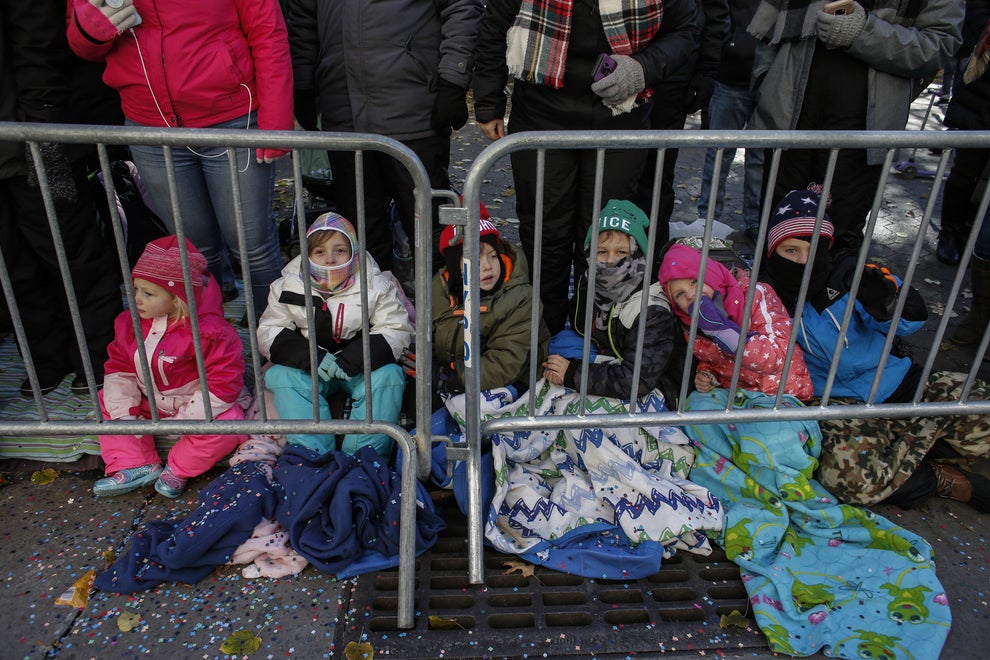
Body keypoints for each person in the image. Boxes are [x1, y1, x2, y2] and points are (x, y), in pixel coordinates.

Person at [472, 0, 698, 334]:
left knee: (605, 230)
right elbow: (494, 26)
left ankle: (596, 323)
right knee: (545, 227)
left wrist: (643, 69)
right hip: (540, 112)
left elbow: (686, 30)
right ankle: (543, 324)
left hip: (621, 115)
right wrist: (487, 100)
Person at [760, 188, 990, 513]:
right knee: (848, 480)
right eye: (791, 250)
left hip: (898, 381)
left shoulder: (847, 275)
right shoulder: (764, 297)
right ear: (773, 252)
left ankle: (905, 448)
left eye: (813, 251)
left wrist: (887, 301)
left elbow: (913, 319)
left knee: (983, 412)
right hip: (839, 406)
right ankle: (936, 475)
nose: (802, 261)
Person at [66, 0, 292, 317]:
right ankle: (207, 349)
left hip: (231, 118)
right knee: (194, 249)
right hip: (150, 128)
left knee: (252, 244)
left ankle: (274, 341)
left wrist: (276, 120)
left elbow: (267, 32)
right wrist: (93, 25)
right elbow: (82, 46)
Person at [285, 0, 484, 274]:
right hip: (345, 115)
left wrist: (453, 79)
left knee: (430, 233)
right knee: (362, 237)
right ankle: (375, 313)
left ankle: (442, 311)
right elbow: (302, 20)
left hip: (412, 112)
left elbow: (462, 8)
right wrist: (303, 82)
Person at [747, 0, 963, 251]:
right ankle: (769, 290)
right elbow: (771, 30)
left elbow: (939, 44)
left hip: (862, 136)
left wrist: (862, 33)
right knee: (777, 234)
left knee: (837, 242)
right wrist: (763, 79)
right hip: (788, 124)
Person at [1, 1, 122, 398]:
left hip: (34, 136)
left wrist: (42, 129)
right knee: (12, 264)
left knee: (70, 251)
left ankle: (98, 356)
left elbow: (37, 42)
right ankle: (45, 359)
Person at [95, 237, 248, 498]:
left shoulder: (211, 332)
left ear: (178, 298)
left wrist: (188, 419)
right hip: (149, 400)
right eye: (134, 289)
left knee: (231, 422)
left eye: (148, 293)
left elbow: (224, 382)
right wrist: (125, 415)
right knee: (108, 400)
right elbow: (120, 368)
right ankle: (135, 463)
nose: (137, 299)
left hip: (196, 403)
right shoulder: (128, 323)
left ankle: (179, 468)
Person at [258, 212, 413, 457]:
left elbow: (395, 327)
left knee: (390, 376)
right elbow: (270, 330)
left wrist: (356, 358)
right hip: (311, 365)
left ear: (353, 251)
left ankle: (364, 455)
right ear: (307, 254)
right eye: (320, 252)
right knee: (280, 376)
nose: (330, 259)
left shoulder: (375, 284)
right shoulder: (287, 285)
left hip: (358, 364)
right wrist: (310, 357)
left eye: (339, 250)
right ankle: (313, 453)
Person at [543, 200, 685, 404]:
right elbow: (582, 325)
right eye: (601, 252)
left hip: (655, 387)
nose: (610, 261)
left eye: (621, 253)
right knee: (556, 347)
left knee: (568, 403)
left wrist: (572, 373)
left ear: (638, 254)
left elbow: (636, 381)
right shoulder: (592, 280)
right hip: (612, 352)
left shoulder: (652, 310)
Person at [657, 243, 813, 399]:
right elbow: (712, 359)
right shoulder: (692, 325)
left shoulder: (755, 296)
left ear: (710, 275)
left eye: (694, 282)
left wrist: (725, 333)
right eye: (679, 294)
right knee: (695, 403)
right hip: (736, 394)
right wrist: (707, 374)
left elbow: (776, 358)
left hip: (779, 391)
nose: (691, 295)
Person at [636, 0, 730, 255]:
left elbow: (714, 12)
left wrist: (706, 70)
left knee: (657, 174)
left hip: (674, 74)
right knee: (617, 174)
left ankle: (652, 259)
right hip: (623, 62)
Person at [432, 218, 550, 397]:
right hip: (456, 374)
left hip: (513, 379)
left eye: (493, 256)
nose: (487, 266)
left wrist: (456, 376)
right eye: (474, 259)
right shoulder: (439, 288)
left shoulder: (520, 297)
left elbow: (507, 360)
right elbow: (430, 333)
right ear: (455, 266)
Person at [695, 0, 764, 242]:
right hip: (731, 74)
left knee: (760, 155)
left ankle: (756, 222)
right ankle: (708, 220)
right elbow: (715, 14)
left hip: (770, 78)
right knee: (719, 153)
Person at [936, 0, 990, 267]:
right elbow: (974, 27)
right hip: (980, 98)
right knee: (965, 172)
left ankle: (974, 232)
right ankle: (950, 232)